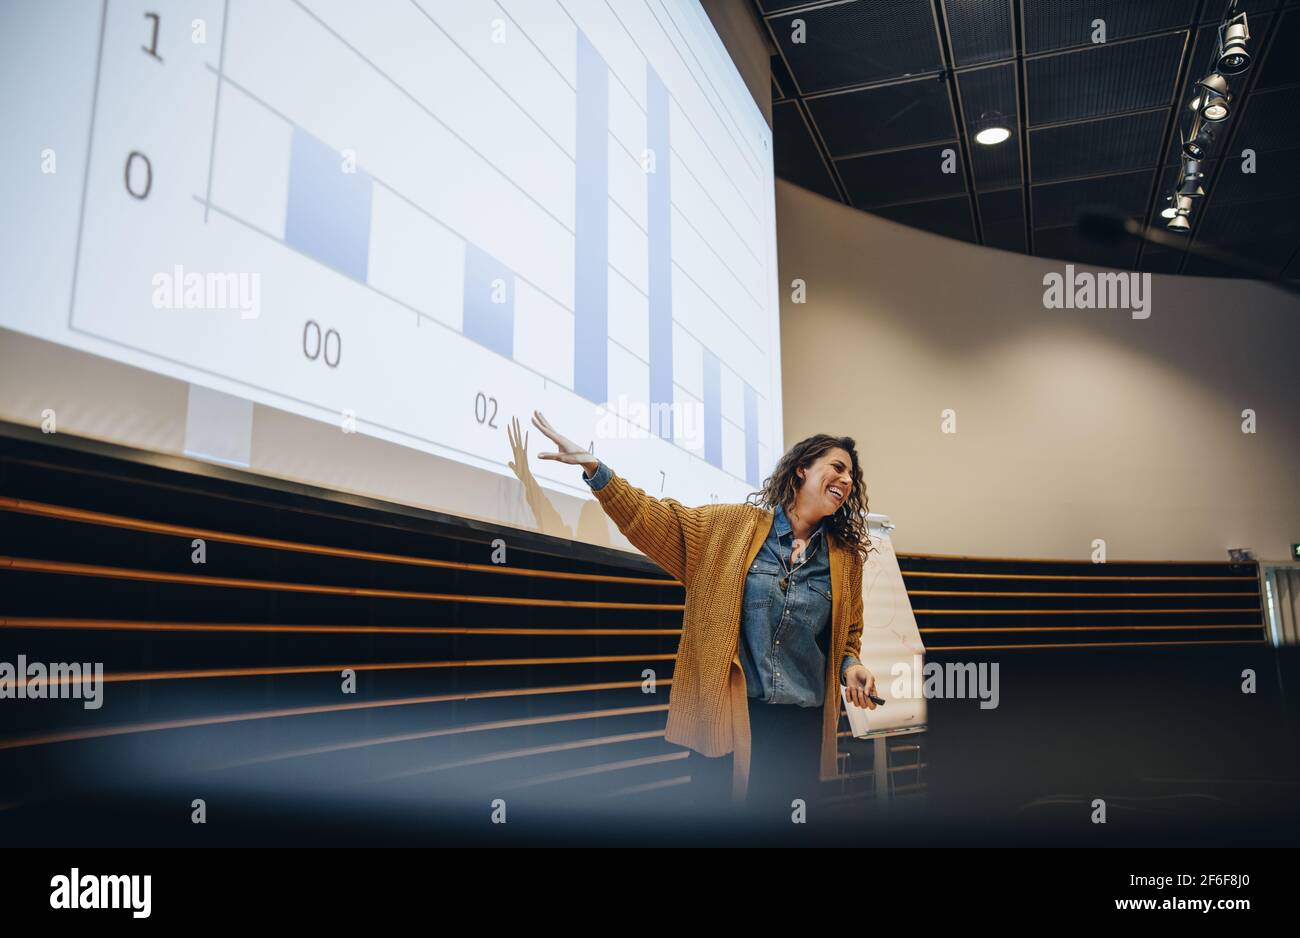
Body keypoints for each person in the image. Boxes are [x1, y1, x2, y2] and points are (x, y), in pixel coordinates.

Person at [530, 410, 878, 824]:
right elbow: (653, 518)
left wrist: (851, 666)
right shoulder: (733, 528)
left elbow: (846, 636)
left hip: (799, 731)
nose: (846, 480)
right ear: (802, 469)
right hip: (729, 721)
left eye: (851, 476)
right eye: (837, 467)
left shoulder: (845, 560)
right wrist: (595, 469)